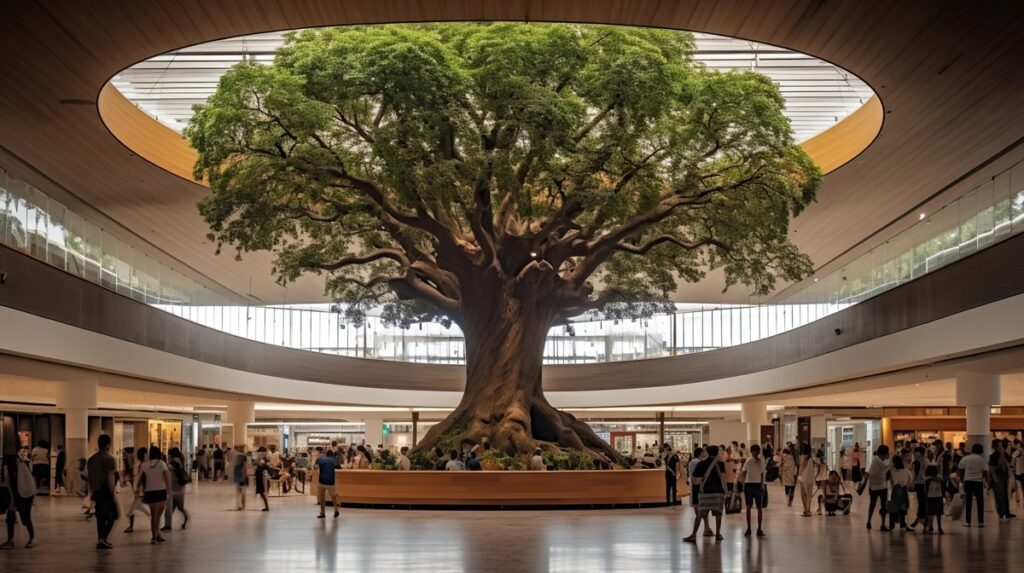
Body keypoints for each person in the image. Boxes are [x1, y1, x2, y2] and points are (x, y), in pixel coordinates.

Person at [683, 445, 726, 542]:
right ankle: (718, 534)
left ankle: (694, 535)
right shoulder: (721, 464)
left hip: (705, 493)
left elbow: (694, 480)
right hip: (718, 492)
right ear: (717, 453)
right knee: (718, 514)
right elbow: (723, 477)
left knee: (700, 514)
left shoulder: (701, 464)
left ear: (707, 452)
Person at [86, 434, 118, 549]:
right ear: (108, 444)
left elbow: (89, 477)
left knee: (99, 516)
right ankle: (103, 538)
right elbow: (110, 477)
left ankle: (101, 539)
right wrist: (113, 492)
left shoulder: (91, 459)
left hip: (96, 490)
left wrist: (90, 492)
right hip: (105, 489)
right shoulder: (110, 459)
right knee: (113, 515)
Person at [137, 446, 171, 544]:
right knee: (158, 515)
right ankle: (155, 536)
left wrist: (137, 488)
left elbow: (140, 478)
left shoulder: (144, 465)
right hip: (161, 491)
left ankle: (156, 535)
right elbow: (167, 478)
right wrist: (169, 491)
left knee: (154, 515)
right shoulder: (162, 463)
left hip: (149, 492)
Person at [3, 450, 36, 548]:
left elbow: (23, 483)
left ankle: (32, 538)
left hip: (24, 494)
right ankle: (10, 540)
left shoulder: (19, 465)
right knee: (10, 517)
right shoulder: (15, 464)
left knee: (25, 518)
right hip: (16, 493)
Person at [739, 444, 766, 537]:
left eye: (757, 451)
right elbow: (743, 473)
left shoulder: (760, 461)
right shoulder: (749, 461)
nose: (756, 452)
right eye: (754, 451)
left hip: (756, 485)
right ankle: (749, 528)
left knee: (759, 507)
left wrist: (762, 485)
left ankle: (759, 528)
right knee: (749, 507)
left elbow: (762, 474)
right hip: (749, 485)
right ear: (751, 452)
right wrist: (742, 484)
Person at [958, 443, 988, 527]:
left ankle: (968, 522)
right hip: (978, 482)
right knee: (980, 502)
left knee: (968, 502)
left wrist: (961, 480)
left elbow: (960, 469)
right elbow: (985, 471)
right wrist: (985, 481)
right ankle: (980, 522)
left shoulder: (966, 458)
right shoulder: (982, 460)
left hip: (968, 481)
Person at [123, 447, 151, 533]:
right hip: (139, 490)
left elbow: (139, 477)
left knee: (131, 511)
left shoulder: (141, 464)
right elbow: (136, 476)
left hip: (140, 491)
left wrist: (136, 487)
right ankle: (153, 517)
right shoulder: (140, 464)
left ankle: (131, 526)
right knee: (140, 507)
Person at [162, 447, 190, 531]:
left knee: (170, 508)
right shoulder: (179, 460)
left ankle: (168, 525)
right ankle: (183, 519)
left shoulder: (174, 462)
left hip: (174, 488)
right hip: (179, 488)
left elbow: (168, 469)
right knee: (177, 508)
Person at [864, 445, 890, 530]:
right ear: (884, 453)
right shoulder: (878, 461)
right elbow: (886, 466)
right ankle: (881, 524)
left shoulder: (876, 460)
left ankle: (870, 521)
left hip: (875, 487)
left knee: (873, 504)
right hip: (879, 487)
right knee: (882, 505)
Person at [687, 447, 710, 536]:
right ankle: (705, 528)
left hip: (695, 487)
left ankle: (706, 527)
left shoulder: (694, 461)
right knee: (699, 509)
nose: (705, 453)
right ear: (700, 453)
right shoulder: (697, 462)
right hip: (697, 487)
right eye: (703, 452)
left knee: (700, 509)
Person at [988, 439, 1014, 519]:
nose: (1001, 447)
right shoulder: (993, 455)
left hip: (1004, 476)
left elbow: (1010, 460)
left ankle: (1007, 512)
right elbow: (991, 468)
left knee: (1006, 494)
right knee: (999, 495)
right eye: (999, 445)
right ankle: (1001, 512)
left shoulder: (1004, 454)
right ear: (995, 446)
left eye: (1001, 445)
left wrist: (1004, 452)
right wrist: (995, 478)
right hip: (998, 476)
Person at [886, 453, 912, 531]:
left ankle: (892, 524)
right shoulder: (905, 470)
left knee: (893, 508)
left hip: (895, 490)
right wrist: (906, 484)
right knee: (903, 508)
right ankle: (902, 523)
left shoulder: (892, 469)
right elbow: (910, 478)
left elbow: (886, 476)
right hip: (903, 490)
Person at [315, 449, 339, 519]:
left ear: (326, 454)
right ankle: (336, 510)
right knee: (333, 496)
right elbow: (339, 467)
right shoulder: (333, 460)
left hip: (321, 481)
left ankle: (322, 513)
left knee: (322, 498)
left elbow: (315, 467)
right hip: (331, 481)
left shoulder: (319, 459)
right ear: (332, 455)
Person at [923, 465, 944, 534]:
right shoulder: (930, 477)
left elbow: (939, 480)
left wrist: (932, 478)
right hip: (936, 496)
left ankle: (934, 527)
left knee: (931, 513)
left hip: (932, 496)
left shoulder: (937, 476)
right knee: (937, 513)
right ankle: (936, 527)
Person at [797, 443, 815, 516]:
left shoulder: (802, 458)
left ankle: (805, 509)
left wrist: (799, 476)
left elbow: (801, 468)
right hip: (810, 479)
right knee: (809, 494)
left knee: (803, 494)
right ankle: (808, 509)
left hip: (802, 478)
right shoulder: (811, 459)